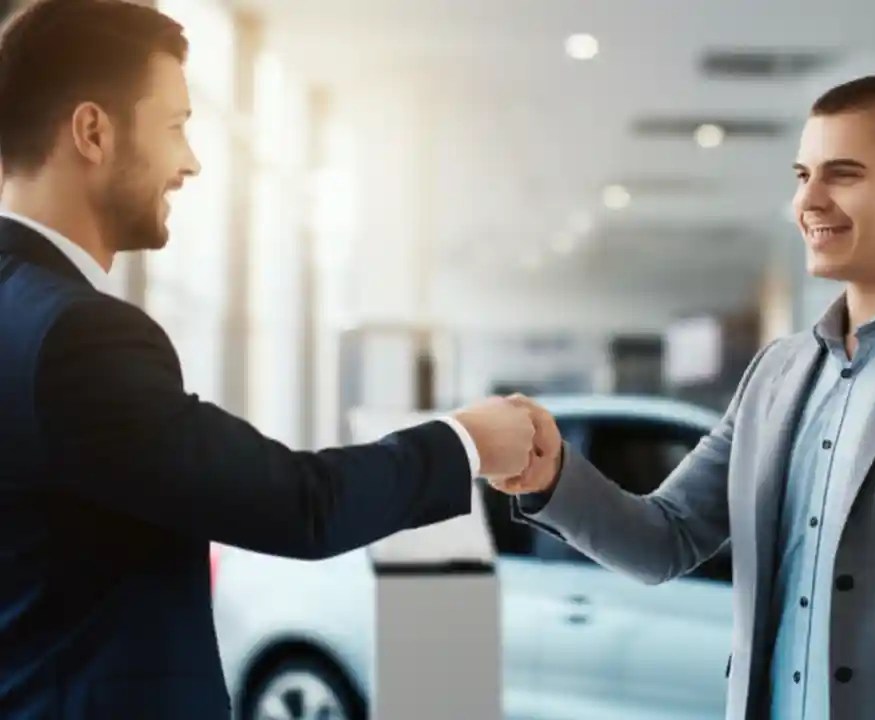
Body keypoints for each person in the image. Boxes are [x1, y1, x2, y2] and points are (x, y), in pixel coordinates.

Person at [0, 1, 535, 717]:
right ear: (93, 131)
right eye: (174, 126)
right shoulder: (78, 335)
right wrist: (468, 441)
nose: (189, 161)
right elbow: (297, 505)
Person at [496, 75, 875, 720]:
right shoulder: (775, 373)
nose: (809, 199)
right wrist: (552, 476)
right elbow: (665, 539)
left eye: (843, 174)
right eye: (803, 174)